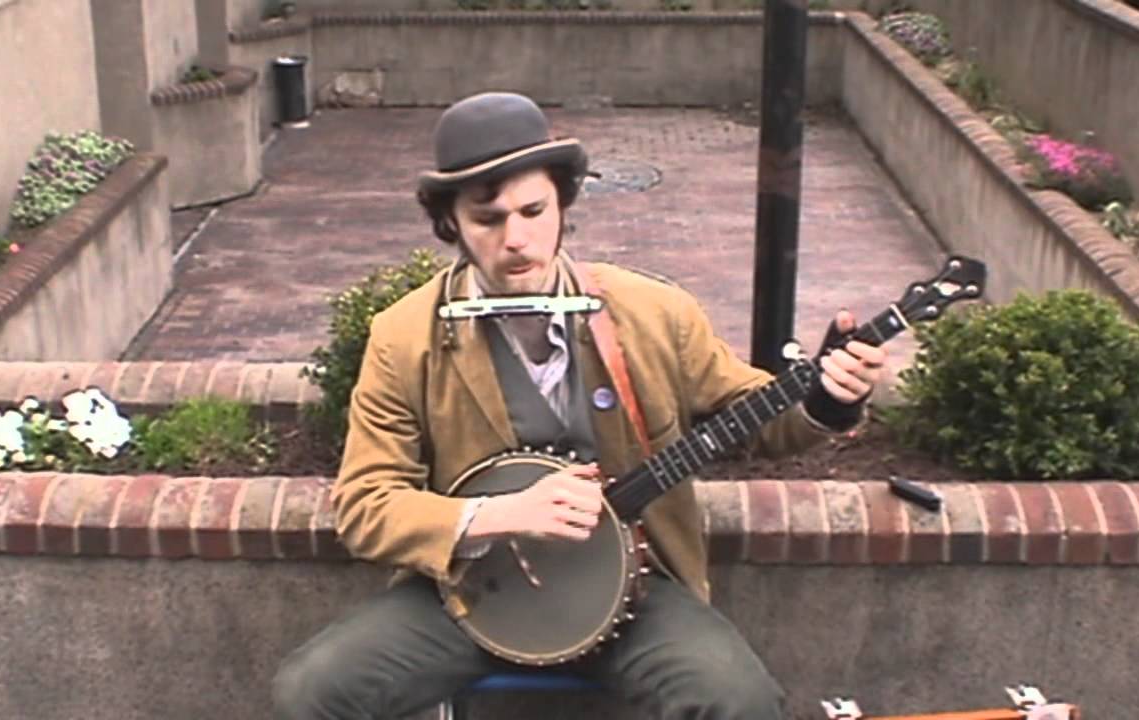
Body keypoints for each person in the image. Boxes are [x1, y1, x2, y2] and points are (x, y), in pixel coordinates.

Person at [272, 91, 886, 719]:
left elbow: (757, 418)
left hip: (637, 590)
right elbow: (366, 505)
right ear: (451, 222)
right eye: (488, 219)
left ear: (563, 202)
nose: (515, 239)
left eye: (533, 210)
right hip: (477, 595)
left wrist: (826, 396)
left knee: (740, 701)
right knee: (311, 691)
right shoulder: (405, 337)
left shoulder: (652, 312)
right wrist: (498, 514)